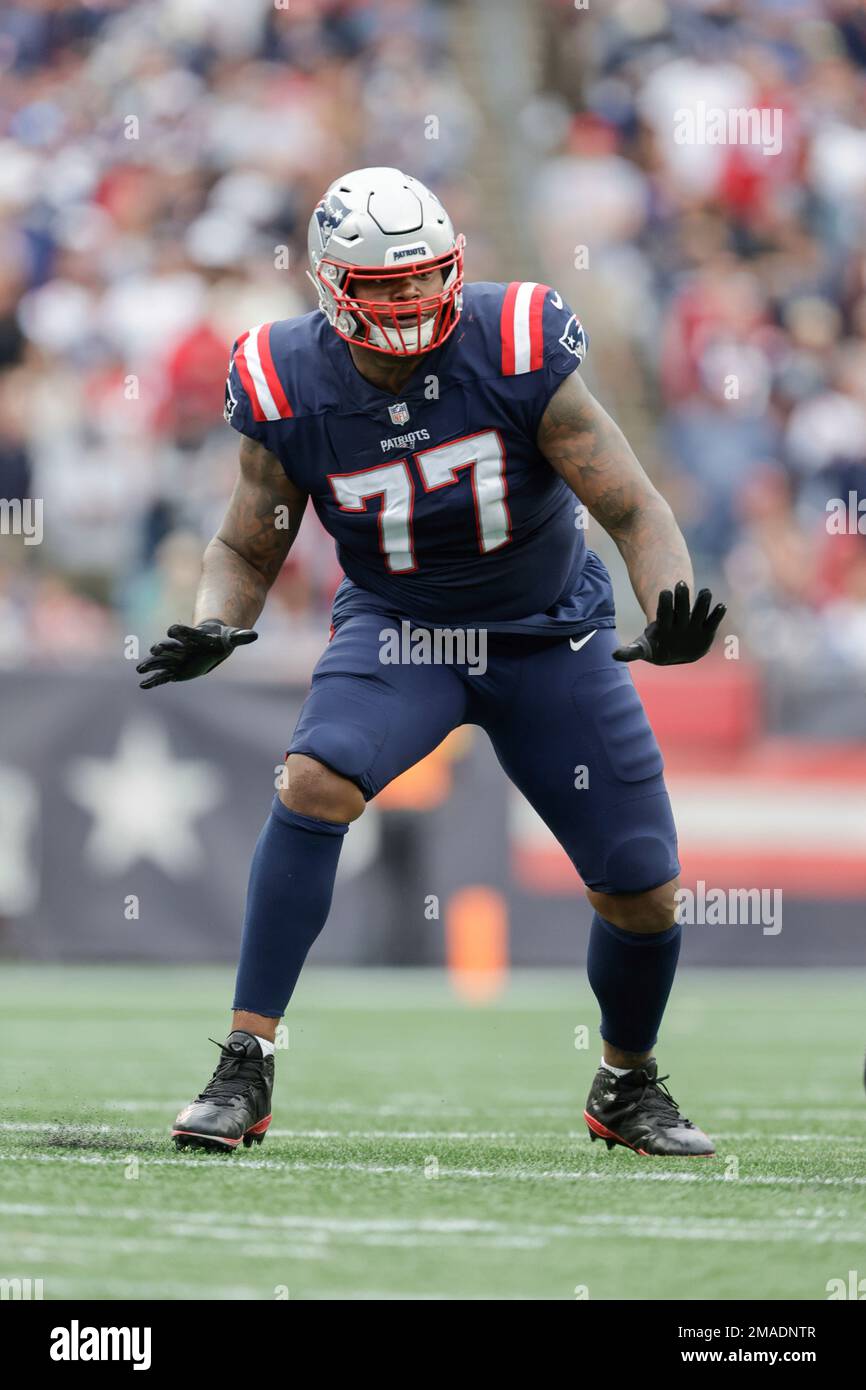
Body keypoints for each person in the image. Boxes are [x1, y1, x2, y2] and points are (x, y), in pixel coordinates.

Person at [138, 167, 725, 1157]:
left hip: (548, 635)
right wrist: (219, 619)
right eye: (385, 286)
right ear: (332, 288)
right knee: (315, 778)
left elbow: (630, 503)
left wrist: (665, 603)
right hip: (401, 629)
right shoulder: (287, 379)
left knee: (639, 886)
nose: (411, 301)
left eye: (426, 277)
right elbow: (247, 545)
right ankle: (245, 1062)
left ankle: (625, 1082)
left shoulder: (514, 341)